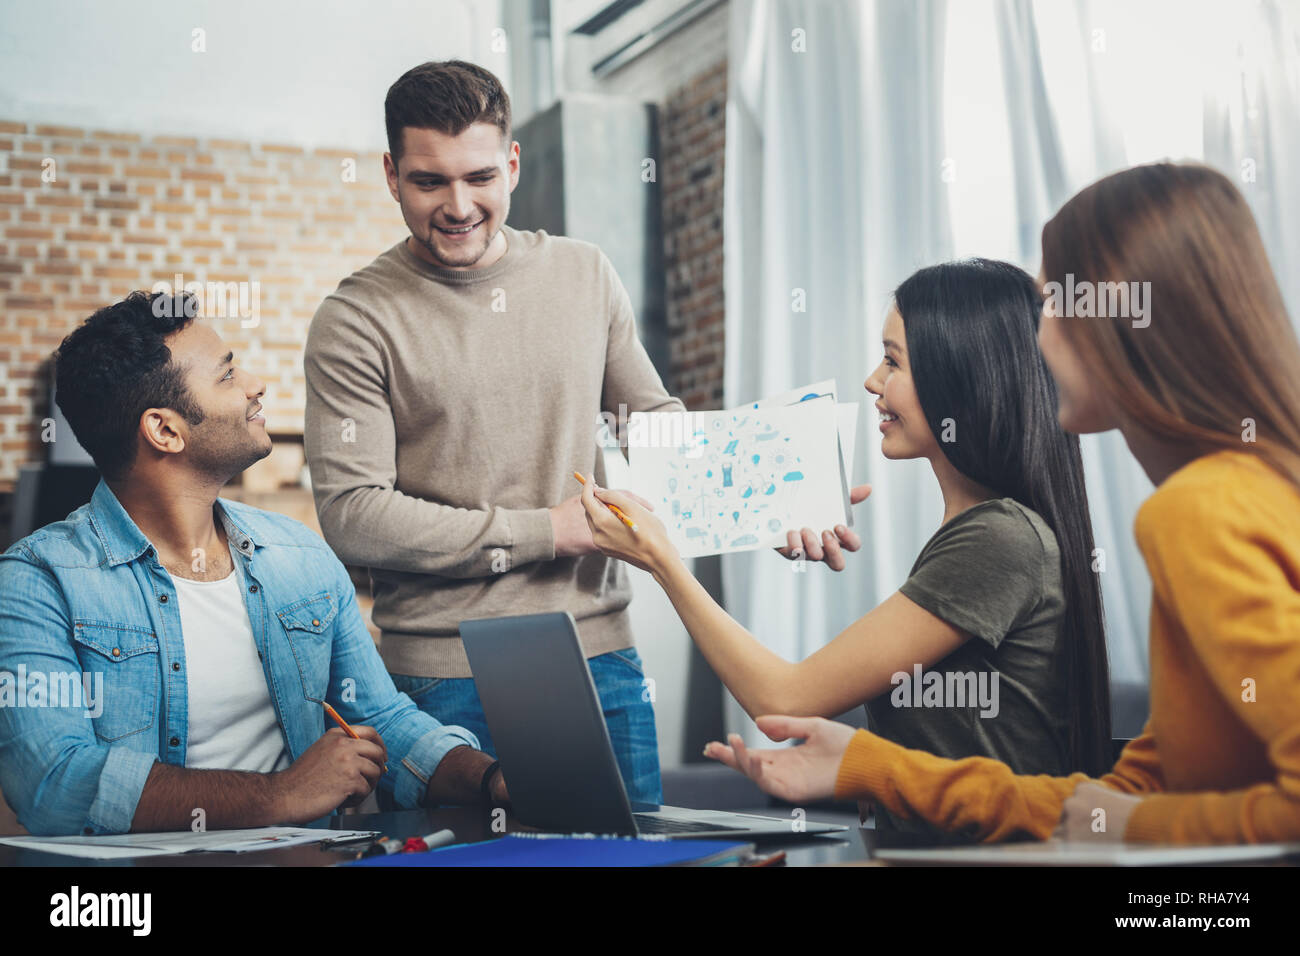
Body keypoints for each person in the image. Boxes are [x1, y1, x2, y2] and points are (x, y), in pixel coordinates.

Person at [301, 60, 861, 806]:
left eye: (479, 177)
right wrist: (550, 532)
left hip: (599, 658)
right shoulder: (356, 320)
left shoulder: (583, 275)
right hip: (440, 680)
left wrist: (774, 500)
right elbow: (355, 517)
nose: (459, 205)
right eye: (430, 181)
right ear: (392, 175)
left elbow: (653, 422)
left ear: (513, 164)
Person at [701, 162, 1300, 845]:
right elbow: (1114, 801)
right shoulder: (1232, 500)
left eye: (1053, 306)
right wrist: (869, 765)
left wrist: (660, 554)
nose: (1038, 341)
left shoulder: (1199, 510)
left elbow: (1134, 814)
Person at [581, 258, 1112, 843]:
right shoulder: (988, 532)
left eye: (893, 361)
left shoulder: (1000, 539)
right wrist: (765, 511)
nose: (871, 381)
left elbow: (783, 700)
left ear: (960, 375)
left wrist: (661, 560)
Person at [0, 292, 506, 836]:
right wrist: (284, 794)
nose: (255, 385)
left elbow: (382, 721)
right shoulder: (36, 583)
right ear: (164, 430)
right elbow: (55, 782)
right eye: (226, 376)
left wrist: (491, 781)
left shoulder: (299, 556)